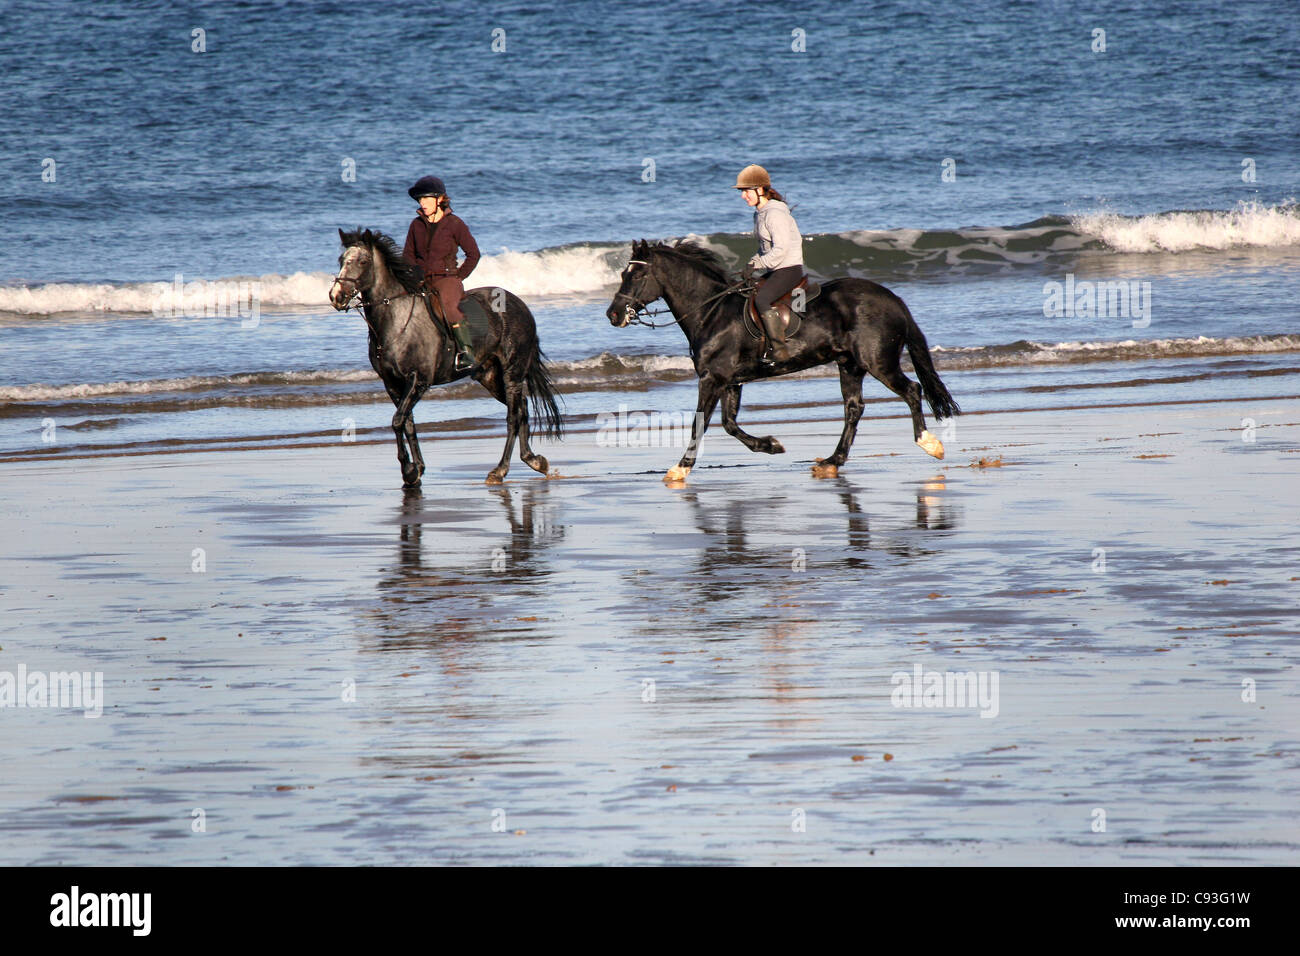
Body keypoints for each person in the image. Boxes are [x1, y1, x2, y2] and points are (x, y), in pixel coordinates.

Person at [402, 175, 482, 372]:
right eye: (420, 199)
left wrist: (458, 277)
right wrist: (414, 274)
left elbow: (473, 254)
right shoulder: (416, 225)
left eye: (426, 199)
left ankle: (466, 353)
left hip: (447, 280)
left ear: (439, 200)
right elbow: (407, 256)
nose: (422, 203)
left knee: (448, 308)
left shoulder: (455, 224)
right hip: (421, 280)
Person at [735, 164, 804, 365]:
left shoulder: (774, 214)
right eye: (742, 192)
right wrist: (752, 263)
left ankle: (780, 350)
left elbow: (780, 250)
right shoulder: (760, 213)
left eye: (746, 191)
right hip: (776, 268)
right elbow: (765, 249)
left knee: (762, 299)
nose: (743, 196)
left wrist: (759, 264)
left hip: (788, 268)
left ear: (759, 190)